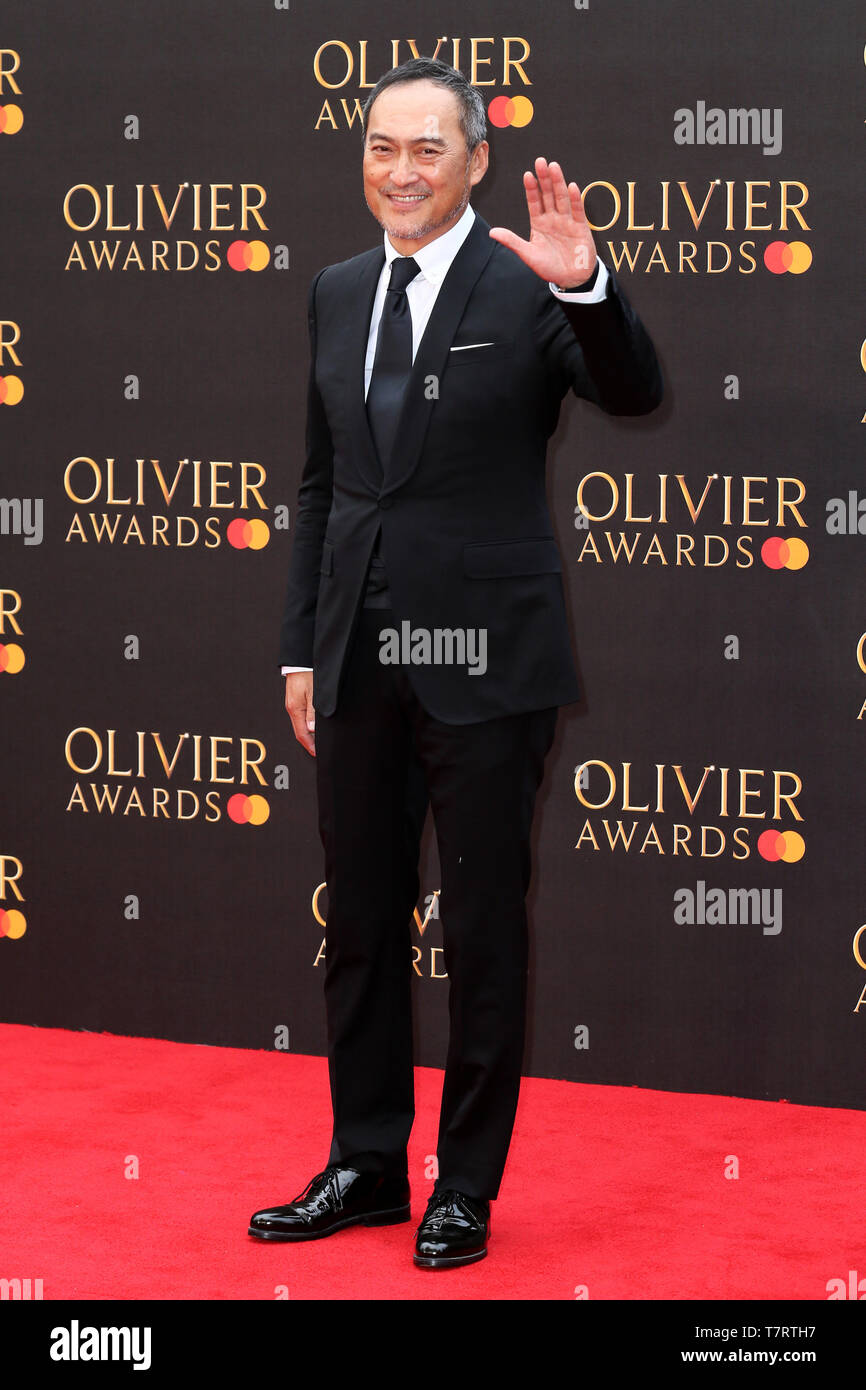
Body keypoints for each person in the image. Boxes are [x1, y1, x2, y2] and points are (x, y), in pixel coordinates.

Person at [249, 56, 663, 1269]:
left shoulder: (524, 275)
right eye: (382, 147)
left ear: (475, 161)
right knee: (364, 922)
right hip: (357, 659)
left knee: (482, 927)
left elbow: (633, 389)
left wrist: (584, 284)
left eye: (428, 148)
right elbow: (322, 489)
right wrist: (299, 649)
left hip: (486, 661)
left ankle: (463, 1184)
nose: (401, 170)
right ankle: (367, 1162)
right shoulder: (333, 290)